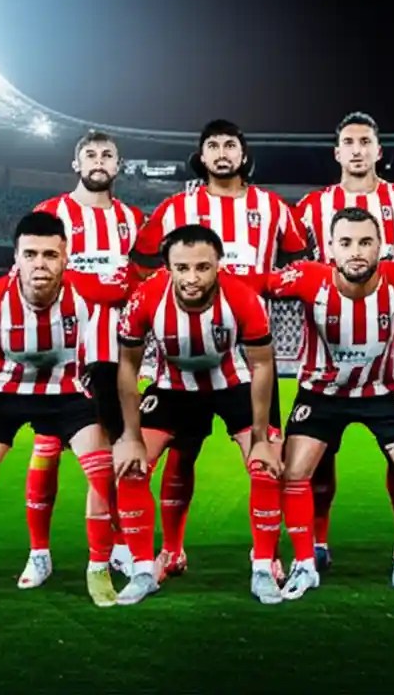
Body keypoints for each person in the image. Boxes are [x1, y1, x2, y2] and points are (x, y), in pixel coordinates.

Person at [130, 119, 308, 580]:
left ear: (243, 155)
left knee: (268, 458)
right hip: (178, 365)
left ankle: (266, 555)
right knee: (179, 456)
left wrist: (258, 285)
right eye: (213, 145)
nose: (223, 152)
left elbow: (299, 265)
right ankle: (170, 552)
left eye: (231, 145)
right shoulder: (175, 208)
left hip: (246, 358)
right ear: (202, 156)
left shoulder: (273, 207)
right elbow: (141, 265)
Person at [0, 212, 130, 613]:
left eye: (49, 254)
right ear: (16, 258)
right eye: (30, 254)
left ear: (66, 257)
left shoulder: (89, 289)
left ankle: (99, 568)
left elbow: (147, 283)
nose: (40, 264)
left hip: (67, 391)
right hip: (4, 394)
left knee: (103, 472)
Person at [254, 208, 394, 600]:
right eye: (346, 243)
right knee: (295, 473)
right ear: (330, 248)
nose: (356, 251)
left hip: (384, 390)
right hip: (322, 394)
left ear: (381, 246)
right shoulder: (308, 278)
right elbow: (258, 283)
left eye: (366, 242)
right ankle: (305, 564)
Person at [113, 225, 282, 605]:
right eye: (182, 267)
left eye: (203, 267)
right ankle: (145, 569)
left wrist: (260, 439)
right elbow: (127, 367)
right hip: (172, 388)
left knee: (266, 466)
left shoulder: (242, 297)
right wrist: (130, 437)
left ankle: (263, 567)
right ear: (168, 267)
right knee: (132, 468)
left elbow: (262, 366)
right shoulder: (145, 298)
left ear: (219, 264)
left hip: (231, 384)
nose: (192, 277)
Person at [293, 112, 394, 570]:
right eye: (349, 142)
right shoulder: (311, 207)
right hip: (327, 345)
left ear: (378, 150)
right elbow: (293, 267)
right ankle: (317, 542)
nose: (357, 150)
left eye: (365, 141)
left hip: (392, 345)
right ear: (337, 152)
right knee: (318, 455)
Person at [22, 129, 145, 589]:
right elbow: (32, 276)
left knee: (112, 452)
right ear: (76, 164)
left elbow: (141, 281)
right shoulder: (50, 213)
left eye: (107, 155)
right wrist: (103, 288)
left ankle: (117, 545)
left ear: (118, 165)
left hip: (113, 355)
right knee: (46, 448)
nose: (98, 161)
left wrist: (106, 288)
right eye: (90, 154)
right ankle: (39, 553)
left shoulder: (133, 220)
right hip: (57, 354)